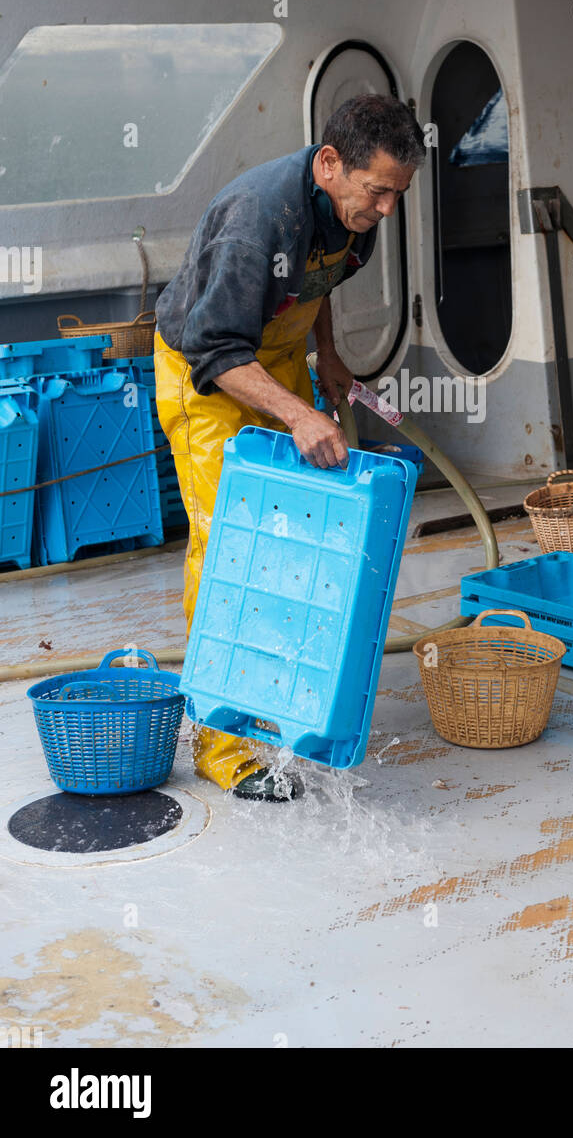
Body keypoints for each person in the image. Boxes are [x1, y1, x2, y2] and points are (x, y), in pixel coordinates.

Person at [153, 94, 425, 800]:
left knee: (291, 543)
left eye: (399, 193)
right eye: (380, 192)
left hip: (275, 359)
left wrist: (326, 358)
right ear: (330, 163)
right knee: (227, 547)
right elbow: (215, 351)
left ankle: (272, 696)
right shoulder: (256, 219)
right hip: (208, 375)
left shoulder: (353, 209)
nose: (388, 210)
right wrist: (300, 416)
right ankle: (220, 739)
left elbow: (320, 276)